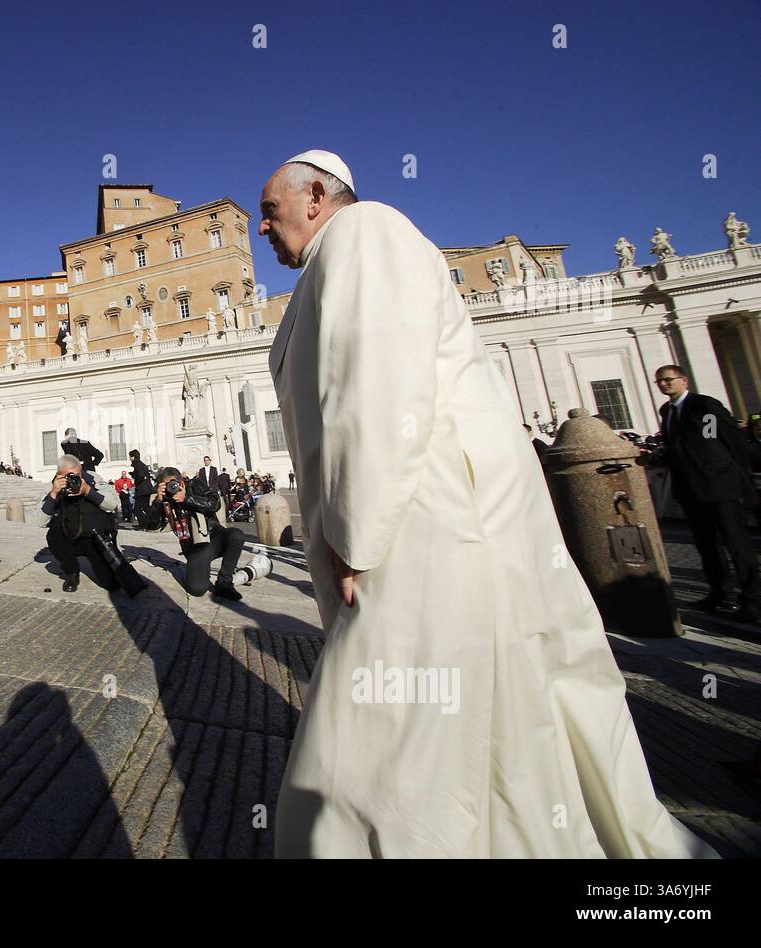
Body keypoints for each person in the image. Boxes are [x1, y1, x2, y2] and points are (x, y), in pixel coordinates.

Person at [259, 148, 711, 857]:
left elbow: (375, 381)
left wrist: (356, 531)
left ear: (316, 194)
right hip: (425, 513)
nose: (262, 226)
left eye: (269, 208)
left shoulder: (365, 230)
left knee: (380, 743)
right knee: (486, 724)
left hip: (423, 516)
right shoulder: (335, 257)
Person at [651, 365, 760, 620]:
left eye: (668, 380)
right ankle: (720, 593)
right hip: (690, 487)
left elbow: (721, 439)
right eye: (659, 381)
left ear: (683, 380)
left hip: (718, 483)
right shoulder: (667, 411)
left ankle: (752, 598)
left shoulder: (704, 406)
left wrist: (733, 474)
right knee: (706, 544)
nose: (664, 384)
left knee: (736, 543)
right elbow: (676, 445)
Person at [42, 454, 144, 595]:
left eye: (77, 475)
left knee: (112, 584)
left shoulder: (92, 478)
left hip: (93, 538)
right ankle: (72, 572)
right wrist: (53, 494)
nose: (73, 480)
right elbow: (39, 521)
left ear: (81, 470)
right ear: (59, 475)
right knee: (53, 535)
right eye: (68, 477)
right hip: (70, 537)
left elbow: (112, 504)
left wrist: (88, 491)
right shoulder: (53, 485)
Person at [142, 465, 246, 600]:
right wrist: (158, 501)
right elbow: (152, 525)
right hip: (195, 548)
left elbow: (215, 503)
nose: (171, 488)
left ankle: (224, 582)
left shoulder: (194, 485)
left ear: (180, 482)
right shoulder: (164, 499)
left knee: (236, 535)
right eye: (166, 485)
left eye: (173, 483)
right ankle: (201, 568)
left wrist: (187, 499)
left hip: (213, 536)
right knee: (197, 589)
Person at [129, 448, 154, 526]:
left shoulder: (137, 464)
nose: (129, 458)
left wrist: (134, 476)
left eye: (130, 456)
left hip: (142, 490)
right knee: (146, 507)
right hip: (147, 489)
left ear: (133, 457)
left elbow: (141, 476)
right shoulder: (141, 464)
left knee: (137, 509)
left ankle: (143, 524)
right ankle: (153, 522)